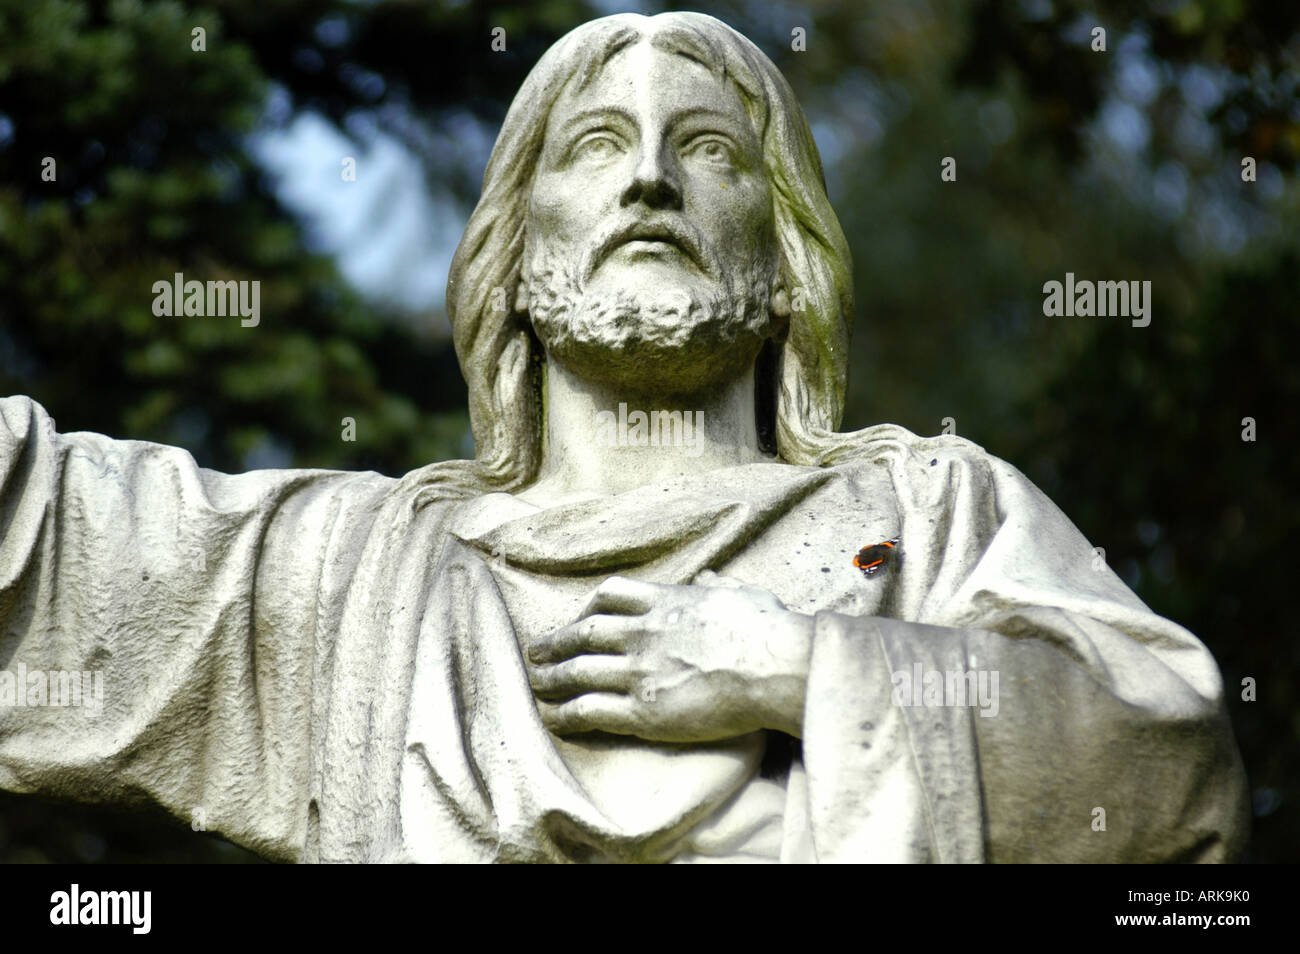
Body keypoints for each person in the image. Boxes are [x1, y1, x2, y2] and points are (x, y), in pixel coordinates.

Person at [0, 12, 1249, 863]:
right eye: (595, 144)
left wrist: (800, 671)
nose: (649, 179)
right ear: (519, 247)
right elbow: (40, 538)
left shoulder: (933, 516)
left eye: (709, 149)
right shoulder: (342, 577)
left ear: (783, 258)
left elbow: (1170, 778)